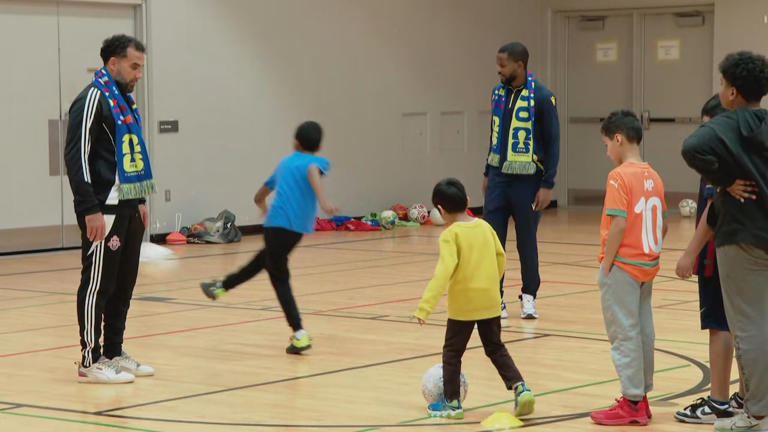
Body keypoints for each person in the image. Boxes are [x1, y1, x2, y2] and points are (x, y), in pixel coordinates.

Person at [682, 50, 768, 432]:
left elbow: (691, 148)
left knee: (747, 327)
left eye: (722, 84)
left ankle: (756, 413)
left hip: (741, 238)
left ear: (732, 92)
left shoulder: (727, 124)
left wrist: (724, 180)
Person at [201, 121, 336, 354]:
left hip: (276, 224)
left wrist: (263, 207)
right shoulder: (320, 161)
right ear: (319, 146)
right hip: (296, 230)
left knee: (276, 274)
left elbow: (259, 196)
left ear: (295, 142)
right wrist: (322, 202)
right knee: (265, 263)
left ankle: (299, 333)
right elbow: (313, 170)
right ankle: (220, 287)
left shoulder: (286, 163)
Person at [65, 34, 155, 383]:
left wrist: (140, 199)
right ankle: (90, 359)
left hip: (129, 205)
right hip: (102, 208)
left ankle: (114, 351)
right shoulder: (91, 99)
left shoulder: (125, 103)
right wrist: (89, 208)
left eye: (141, 68)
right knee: (98, 284)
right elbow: (76, 158)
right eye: (134, 67)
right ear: (113, 63)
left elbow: (132, 154)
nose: (139, 75)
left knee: (122, 285)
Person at [413, 178, 534, 420]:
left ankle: (452, 403)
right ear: (468, 201)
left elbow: (442, 273)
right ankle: (521, 388)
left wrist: (424, 308)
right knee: (495, 348)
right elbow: (500, 258)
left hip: (463, 307)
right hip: (490, 302)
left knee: (452, 353)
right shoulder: (485, 227)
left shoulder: (451, 235)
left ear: (441, 210)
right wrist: (489, 285)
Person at [590, 111, 667, 426]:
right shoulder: (654, 175)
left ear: (618, 138)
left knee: (623, 333)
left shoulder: (619, 176)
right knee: (643, 330)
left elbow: (619, 223)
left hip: (623, 265)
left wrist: (607, 264)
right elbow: (663, 225)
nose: (607, 150)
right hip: (647, 265)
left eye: (606, 143)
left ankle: (632, 401)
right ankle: (641, 395)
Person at [674, 95, 748, 424]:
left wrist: (690, 252)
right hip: (749, 253)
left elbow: (713, 209)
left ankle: (718, 401)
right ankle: (746, 397)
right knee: (744, 326)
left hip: (720, 255)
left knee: (720, 325)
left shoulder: (719, 163)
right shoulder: (751, 154)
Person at [482, 41, 560, 319]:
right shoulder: (497, 93)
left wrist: (547, 183)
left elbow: (553, 143)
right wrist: (487, 172)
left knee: (526, 241)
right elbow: (495, 134)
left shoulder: (542, 97)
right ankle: (495, 298)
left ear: (520, 65)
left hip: (528, 181)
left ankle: (529, 297)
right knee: (493, 242)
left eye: (503, 65)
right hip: (498, 177)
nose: (498, 70)